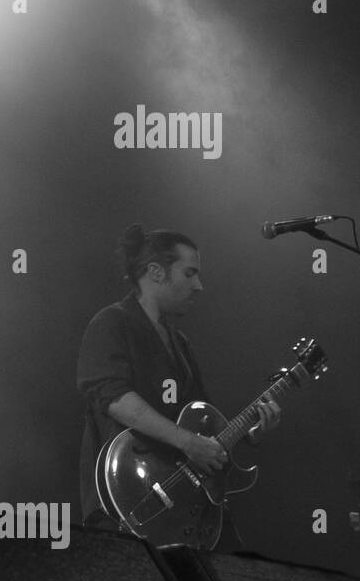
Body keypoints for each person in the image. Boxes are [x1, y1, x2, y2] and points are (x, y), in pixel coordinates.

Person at [76, 224, 279, 545]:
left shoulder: (180, 343)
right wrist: (186, 442)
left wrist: (249, 432)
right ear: (156, 272)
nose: (199, 285)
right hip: (129, 499)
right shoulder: (111, 323)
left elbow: (204, 423)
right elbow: (113, 397)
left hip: (184, 505)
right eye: (189, 273)